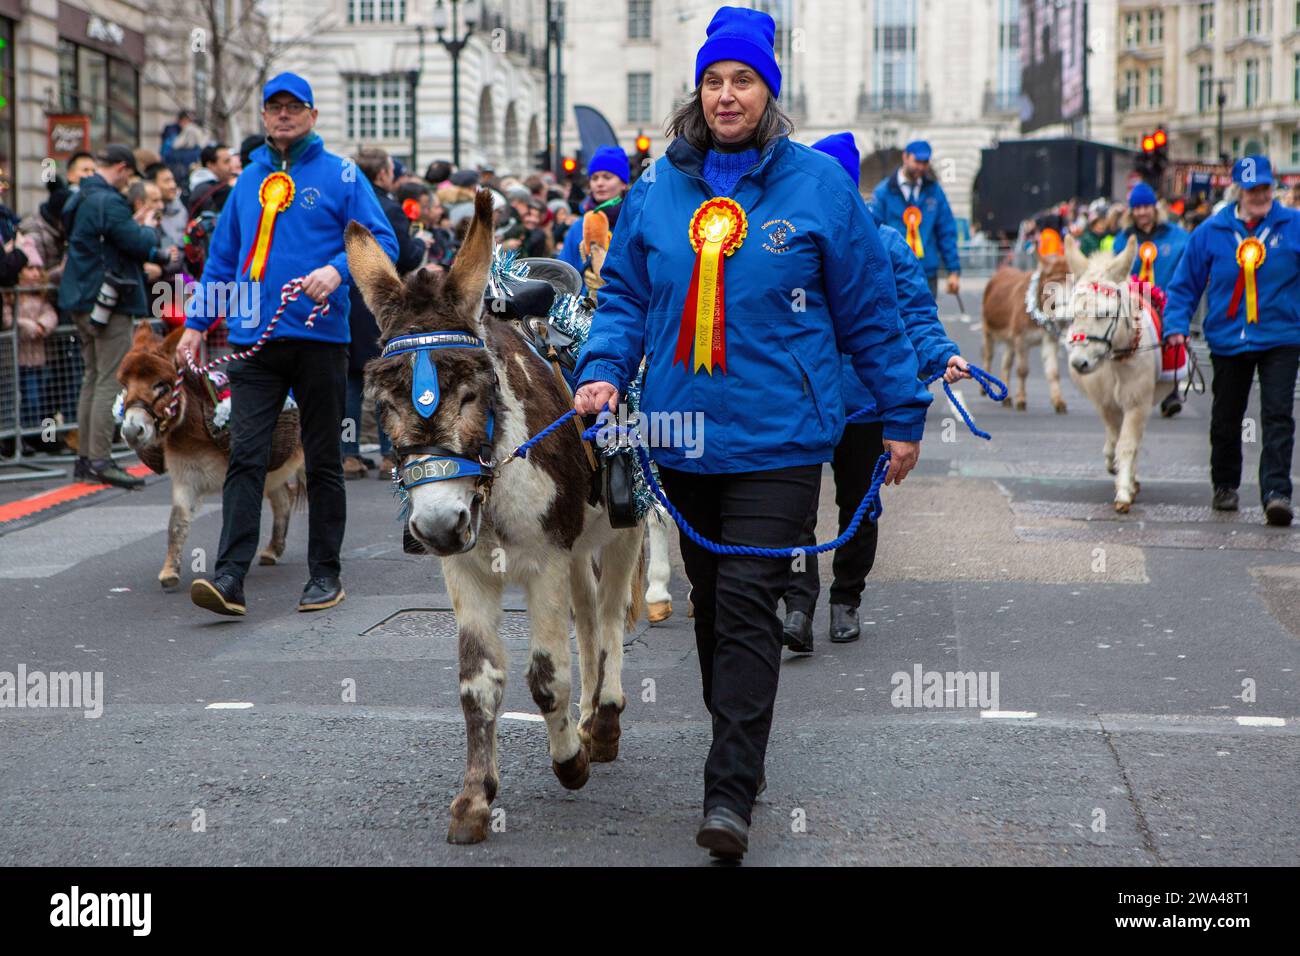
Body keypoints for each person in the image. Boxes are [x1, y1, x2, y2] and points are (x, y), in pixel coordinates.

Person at [573, 6, 930, 861]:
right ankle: (741, 742)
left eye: (742, 80)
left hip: (782, 439)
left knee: (745, 604)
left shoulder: (818, 187)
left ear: (768, 91)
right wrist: (602, 368)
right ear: (696, 92)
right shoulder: (659, 187)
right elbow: (624, 295)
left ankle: (728, 788)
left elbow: (870, 310)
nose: (726, 94)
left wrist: (902, 412)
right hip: (680, 435)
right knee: (708, 603)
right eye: (713, 80)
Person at [177, 72, 399, 617]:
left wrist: (336, 269)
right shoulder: (247, 182)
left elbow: (384, 241)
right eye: (274, 107)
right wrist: (195, 323)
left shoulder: (342, 175)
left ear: (312, 115)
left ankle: (326, 574)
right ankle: (230, 577)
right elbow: (223, 261)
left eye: (293, 107)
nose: (283, 115)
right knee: (245, 458)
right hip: (254, 341)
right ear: (264, 116)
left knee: (324, 459)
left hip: (320, 339)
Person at [782, 131, 969, 653]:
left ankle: (847, 598)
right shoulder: (791, 241)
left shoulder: (885, 244)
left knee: (857, 506)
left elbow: (913, 316)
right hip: (802, 400)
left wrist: (941, 355)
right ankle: (798, 606)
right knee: (793, 510)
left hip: (862, 402)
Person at [1163, 156, 1300, 526]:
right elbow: (1185, 284)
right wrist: (1175, 323)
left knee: (1277, 414)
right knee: (1227, 416)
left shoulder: (1294, 225)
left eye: (1266, 188)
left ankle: (1277, 493)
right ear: (1239, 190)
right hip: (1227, 338)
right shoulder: (1211, 231)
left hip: (1281, 336)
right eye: (1253, 189)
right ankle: (1225, 484)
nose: (1260, 195)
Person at [58, 144, 178, 488]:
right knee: (109, 379)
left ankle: (86, 459)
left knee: (92, 377)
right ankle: (99, 459)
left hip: (83, 299)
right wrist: (147, 232)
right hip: (107, 300)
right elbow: (134, 241)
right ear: (123, 169)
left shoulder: (80, 196)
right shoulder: (108, 200)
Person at [343, 146, 425, 480]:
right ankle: (390, 452)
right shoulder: (388, 208)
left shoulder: (346, 203)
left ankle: (347, 452)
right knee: (385, 377)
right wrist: (421, 245)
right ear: (383, 174)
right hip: (380, 302)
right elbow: (403, 256)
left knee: (350, 381)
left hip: (345, 298)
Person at [1114, 182, 1190, 418]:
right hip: (1135, 303)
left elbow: (1188, 263)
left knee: (1172, 341)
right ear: (1131, 212)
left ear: (1154, 208)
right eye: (1137, 208)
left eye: (1146, 207)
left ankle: (1171, 393)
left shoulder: (1176, 236)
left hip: (1167, 300)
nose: (1142, 212)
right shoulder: (1123, 240)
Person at [869, 139, 961, 299]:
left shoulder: (935, 191)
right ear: (905, 157)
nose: (921, 167)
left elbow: (946, 231)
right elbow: (873, 232)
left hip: (927, 273)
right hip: (894, 272)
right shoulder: (883, 192)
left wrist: (953, 270)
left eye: (925, 162)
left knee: (927, 320)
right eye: (917, 161)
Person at [1, 245, 58, 430]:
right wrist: (30, 326)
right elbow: (9, 320)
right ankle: (25, 434)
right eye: (30, 268)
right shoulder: (12, 298)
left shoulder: (41, 298)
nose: (34, 274)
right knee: (27, 400)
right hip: (20, 360)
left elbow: (51, 315)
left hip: (40, 360)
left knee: (41, 400)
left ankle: (39, 435)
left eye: (37, 269)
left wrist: (43, 325)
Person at [557, 145, 631, 283]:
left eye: (607, 177)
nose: (599, 183)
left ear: (623, 184)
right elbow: (563, 276)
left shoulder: (635, 223)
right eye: (594, 178)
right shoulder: (579, 226)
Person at [145, 162, 188, 248]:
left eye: (173, 180)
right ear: (153, 184)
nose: (173, 185)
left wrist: (188, 242)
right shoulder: (147, 213)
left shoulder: (181, 208)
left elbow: (186, 237)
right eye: (167, 181)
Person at [187, 143, 234, 216]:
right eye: (226, 162)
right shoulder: (221, 191)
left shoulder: (191, 186)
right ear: (210, 165)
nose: (231, 166)